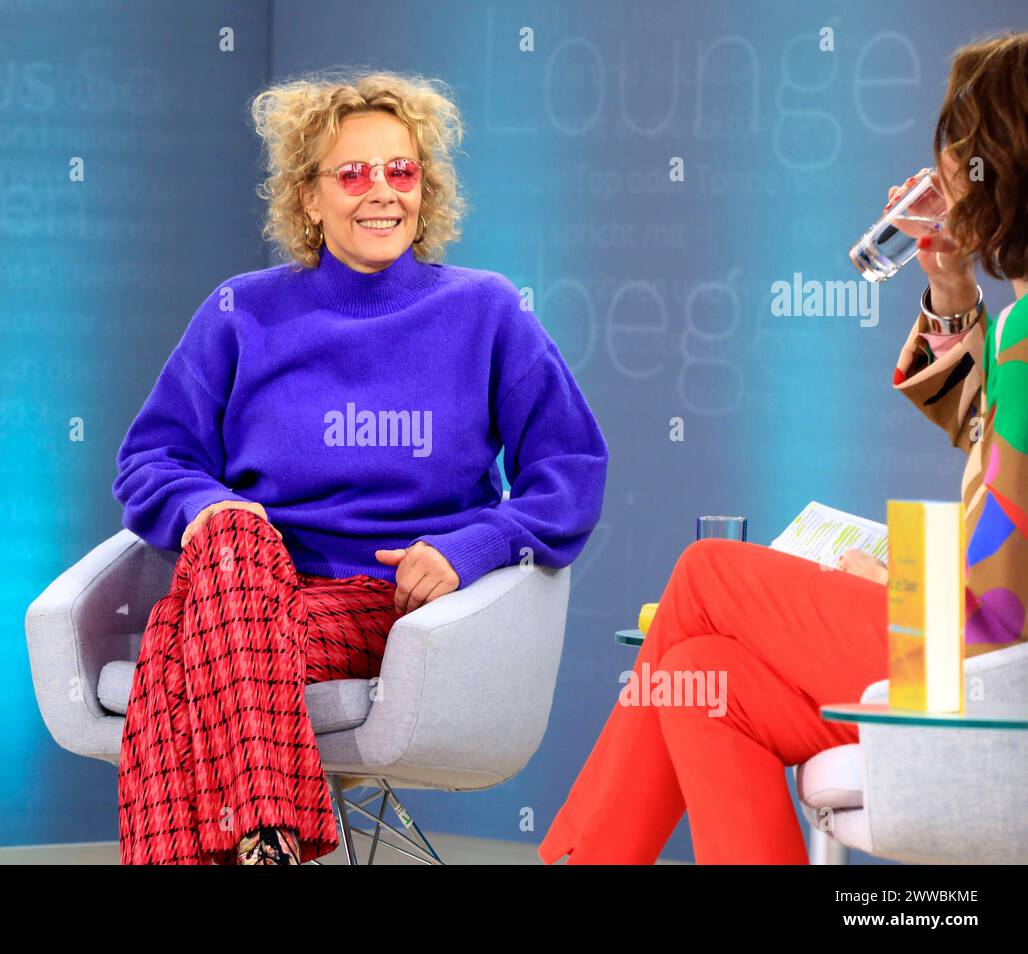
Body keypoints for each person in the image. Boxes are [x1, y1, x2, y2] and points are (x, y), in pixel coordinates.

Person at [540, 31, 1028, 865]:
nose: (945, 167)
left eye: (958, 142)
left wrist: (901, 581)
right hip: (973, 655)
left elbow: (1005, 581)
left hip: (976, 669)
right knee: (701, 678)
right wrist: (950, 289)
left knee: (705, 575)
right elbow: (995, 443)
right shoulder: (1018, 319)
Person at [112, 69, 609, 865]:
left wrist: (470, 548)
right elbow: (151, 458)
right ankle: (265, 841)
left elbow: (572, 468)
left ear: (425, 187)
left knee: (177, 639)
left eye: (401, 170)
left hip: (394, 602)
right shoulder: (242, 312)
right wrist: (205, 509)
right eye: (352, 173)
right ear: (308, 198)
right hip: (256, 587)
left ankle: (261, 845)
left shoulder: (485, 312)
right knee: (235, 543)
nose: (382, 192)